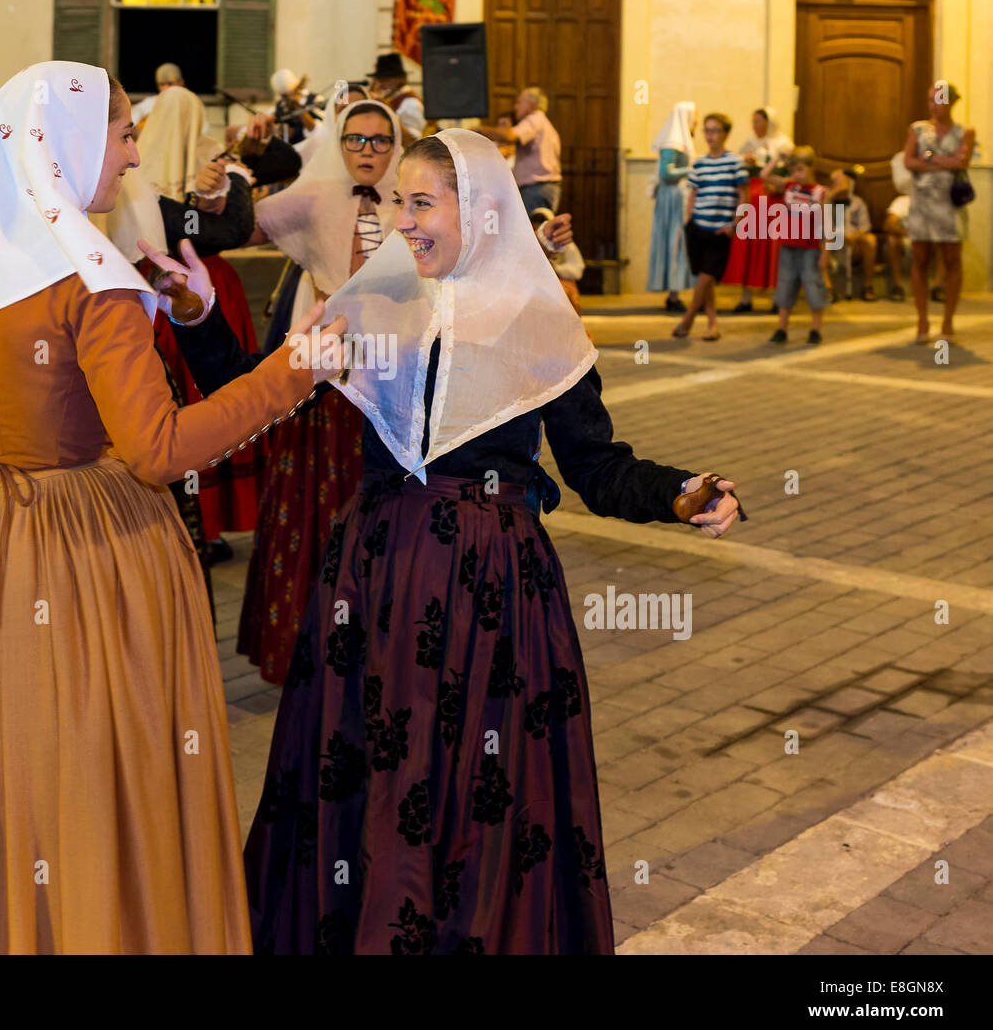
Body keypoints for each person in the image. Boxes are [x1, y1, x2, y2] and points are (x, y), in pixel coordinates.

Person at [168, 129, 741, 953]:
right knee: (377, 781)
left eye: (421, 202)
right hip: (375, 582)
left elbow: (597, 466)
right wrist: (195, 315)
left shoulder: (537, 317)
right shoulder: (376, 300)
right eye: (398, 201)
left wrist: (681, 492)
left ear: (479, 211)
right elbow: (252, 387)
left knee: (479, 791)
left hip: (491, 597)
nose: (401, 220)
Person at [0, 60, 341, 954]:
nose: (134, 157)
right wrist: (294, 369)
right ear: (63, 143)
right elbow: (158, 450)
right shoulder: (91, 281)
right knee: (94, 778)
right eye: (124, 134)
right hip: (96, 556)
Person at [231, 99, 403, 685]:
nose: (367, 151)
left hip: (394, 371)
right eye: (356, 139)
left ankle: (379, 652)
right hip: (327, 371)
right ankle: (308, 650)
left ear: (396, 144)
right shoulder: (314, 194)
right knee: (319, 498)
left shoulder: (414, 198)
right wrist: (231, 176)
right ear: (339, 142)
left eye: (380, 140)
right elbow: (243, 225)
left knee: (384, 505)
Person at [101, 84, 265, 557]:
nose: (133, 153)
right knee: (191, 408)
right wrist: (237, 177)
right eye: (124, 136)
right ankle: (193, 528)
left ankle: (193, 526)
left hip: (178, 302)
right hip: (176, 302)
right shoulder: (139, 190)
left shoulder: (139, 183)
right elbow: (230, 229)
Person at [902, 80, 975, 343]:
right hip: (922, 203)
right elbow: (909, 161)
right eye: (930, 100)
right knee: (920, 258)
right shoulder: (918, 129)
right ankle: (922, 320)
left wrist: (930, 159)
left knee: (952, 260)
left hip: (950, 204)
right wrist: (945, 162)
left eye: (939, 99)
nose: (934, 105)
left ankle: (947, 320)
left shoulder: (965, 131)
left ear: (951, 102)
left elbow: (962, 162)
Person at [673, 113, 747, 341]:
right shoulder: (700, 163)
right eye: (707, 130)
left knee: (706, 277)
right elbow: (693, 194)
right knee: (706, 280)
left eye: (715, 130)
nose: (709, 135)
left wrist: (735, 225)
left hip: (720, 231)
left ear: (725, 134)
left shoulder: (736, 162)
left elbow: (744, 196)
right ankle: (712, 325)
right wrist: (689, 221)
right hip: (698, 228)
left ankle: (688, 318)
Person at [725, 107, 793, 313]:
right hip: (752, 201)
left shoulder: (785, 144)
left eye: (758, 121)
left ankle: (777, 298)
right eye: (753, 121)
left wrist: (779, 184)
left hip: (775, 202)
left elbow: (793, 173)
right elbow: (737, 170)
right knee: (748, 247)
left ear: (768, 123)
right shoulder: (749, 143)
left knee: (773, 250)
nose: (754, 126)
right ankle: (746, 298)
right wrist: (745, 162)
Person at [763, 146, 830, 345]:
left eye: (800, 169)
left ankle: (815, 329)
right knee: (785, 285)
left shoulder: (820, 192)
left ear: (811, 167)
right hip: (788, 246)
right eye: (793, 170)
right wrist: (777, 157)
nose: (797, 175)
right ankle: (782, 328)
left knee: (813, 286)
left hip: (810, 248)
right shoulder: (790, 186)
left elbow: (827, 224)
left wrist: (826, 253)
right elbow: (765, 175)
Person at [474, 87, 563, 215]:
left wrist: (479, 130)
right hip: (541, 188)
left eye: (519, 102)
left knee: (529, 228)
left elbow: (510, 136)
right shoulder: (544, 123)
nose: (516, 107)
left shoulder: (535, 119)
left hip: (536, 189)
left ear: (531, 104)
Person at [647, 102, 696, 314]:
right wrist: (692, 170)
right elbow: (666, 173)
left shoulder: (678, 140)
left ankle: (675, 292)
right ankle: (673, 294)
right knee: (675, 242)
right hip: (673, 198)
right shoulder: (673, 142)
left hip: (676, 196)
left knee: (677, 243)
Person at [828, 165, 876, 301]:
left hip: (854, 244)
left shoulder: (857, 202)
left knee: (870, 240)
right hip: (832, 244)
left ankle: (868, 286)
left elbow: (865, 227)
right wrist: (839, 236)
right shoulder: (826, 200)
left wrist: (852, 237)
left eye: (846, 183)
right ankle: (828, 288)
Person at [367, 52, 425, 148]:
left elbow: (414, 142)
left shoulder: (411, 103)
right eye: (378, 80)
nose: (380, 84)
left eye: (386, 79)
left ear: (400, 79)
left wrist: (385, 109)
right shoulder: (391, 99)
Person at [130, 60, 183, 125]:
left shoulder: (189, 103)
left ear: (180, 82)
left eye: (170, 83)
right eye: (162, 84)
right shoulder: (150, 104)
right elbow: (132, 122)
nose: (166, 88)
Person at [884, 193, 911, 301]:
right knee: (892, 240)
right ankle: (898, 286)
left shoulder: (934, 201)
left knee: (944, 238)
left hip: (928, 240)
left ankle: (937, 287)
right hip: (907, 240)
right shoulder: (903, 201)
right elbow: (889, 224)